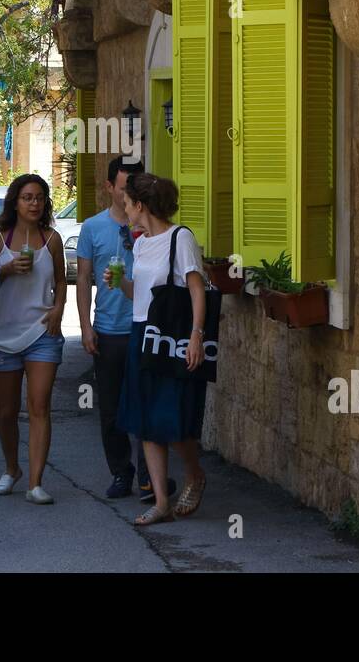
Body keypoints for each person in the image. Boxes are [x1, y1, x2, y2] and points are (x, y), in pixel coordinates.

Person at [75, 156, 173, 502]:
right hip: (110, 327)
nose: (129, 194)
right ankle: (121, 472)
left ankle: (151, 478)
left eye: (135, 187)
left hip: (147, 326)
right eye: (123, 188)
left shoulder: (153, 231)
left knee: (148, 402)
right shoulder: (92, 228)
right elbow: (84, 279)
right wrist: (86, 327)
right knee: (112, 407)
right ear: (108, 188)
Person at [115, 173, 209, 526]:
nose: (124, 208)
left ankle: (194, 473)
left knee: (170, 417)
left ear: (140, 205)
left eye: (127, 202)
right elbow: (137, 294)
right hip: (141, 332)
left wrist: (196, 335)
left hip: (171, 336)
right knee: (144, 419)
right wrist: (119, 283)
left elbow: (196, 289)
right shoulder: (139, 244)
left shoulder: (180, 238)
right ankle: (160, 502)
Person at [0, 174, 68, 504]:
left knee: (39, 406)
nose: (34, 204)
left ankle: (35, 483)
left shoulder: (52, 239)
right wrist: (5, 270)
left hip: (41, 331)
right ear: (14, 202)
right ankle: (11, 468)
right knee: (6, 411)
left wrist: (59, 308)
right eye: (27, 197)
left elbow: (61, 281)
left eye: (40, 198)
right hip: (1, 333)